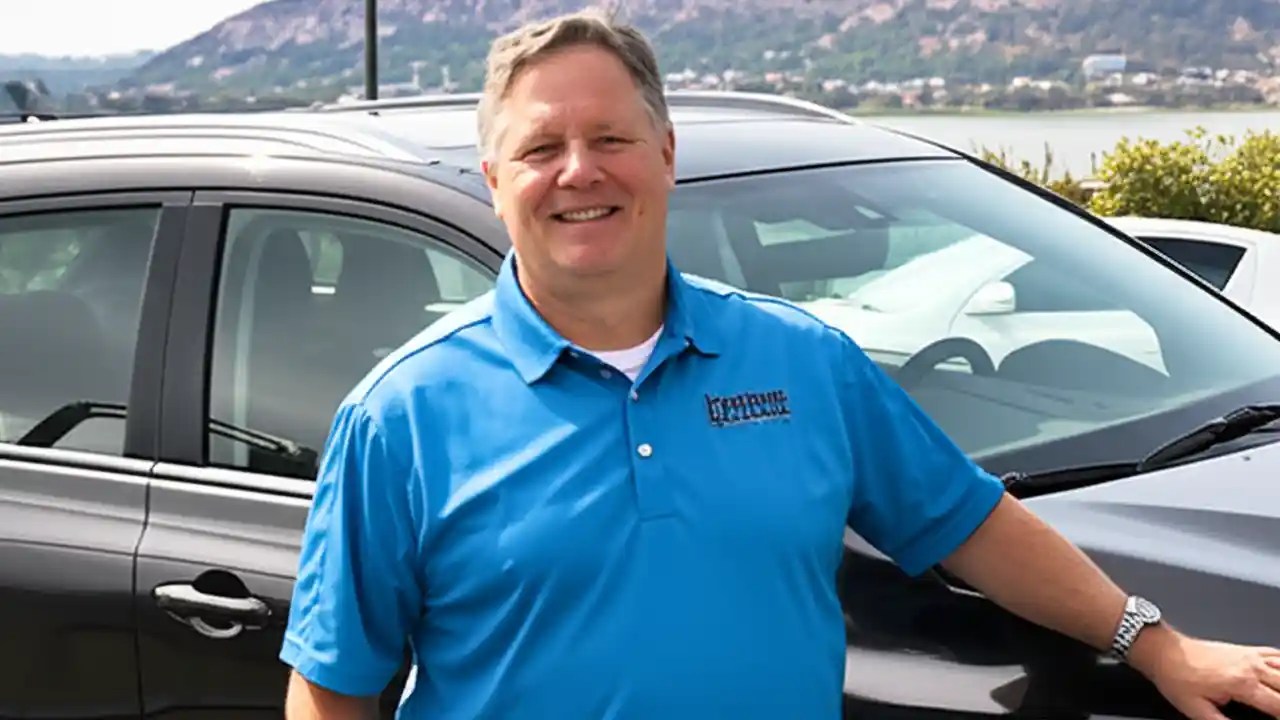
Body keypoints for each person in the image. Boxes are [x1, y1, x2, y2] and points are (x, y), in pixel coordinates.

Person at [279, 8, 1280, 720]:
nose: (579, 171)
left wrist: (1155, 644)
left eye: (611, 137)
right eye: (541, 149)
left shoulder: (801, 363)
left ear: (665, 154)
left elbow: (969, 523)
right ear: (495, 180)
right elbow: (332, 687)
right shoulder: (400, 415)